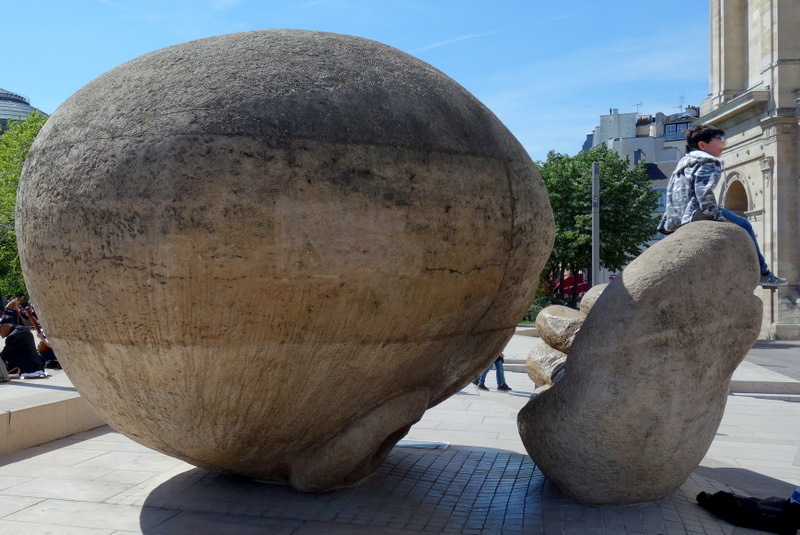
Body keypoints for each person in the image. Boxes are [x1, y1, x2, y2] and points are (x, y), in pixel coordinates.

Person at [657, 123, 788, 288]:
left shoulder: (684, 163)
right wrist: (717, 217)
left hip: (675, 217)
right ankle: (763, 273)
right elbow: (703, 194)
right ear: (702, 145)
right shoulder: (708, 161)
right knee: (744, 224)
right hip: (695, 212)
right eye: (718, 139)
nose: (723, 143)